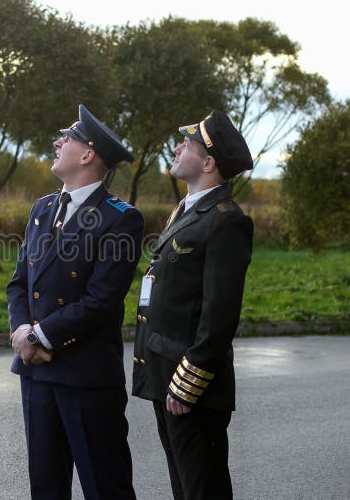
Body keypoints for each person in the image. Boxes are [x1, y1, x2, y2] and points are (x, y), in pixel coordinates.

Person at [7, 104, 144, 500]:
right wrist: (21, 332)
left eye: (66, 137)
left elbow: (101, 301)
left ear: (87, 154)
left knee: (106, 489)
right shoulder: (42, 209)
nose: (57, 142)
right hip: (36, 375)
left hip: (86, 378)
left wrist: (39, 336)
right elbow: (19, 284)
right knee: (46, 489)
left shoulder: (121, 218)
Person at [132, 110, 254, 500]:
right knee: (185, 488)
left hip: (189, 386)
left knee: (203, 489)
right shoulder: (189, 209)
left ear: (208, 163)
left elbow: (219, 316)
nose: (176, 147)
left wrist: (188, 385)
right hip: (167, 375)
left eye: (187, 144)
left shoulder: (226, 221)